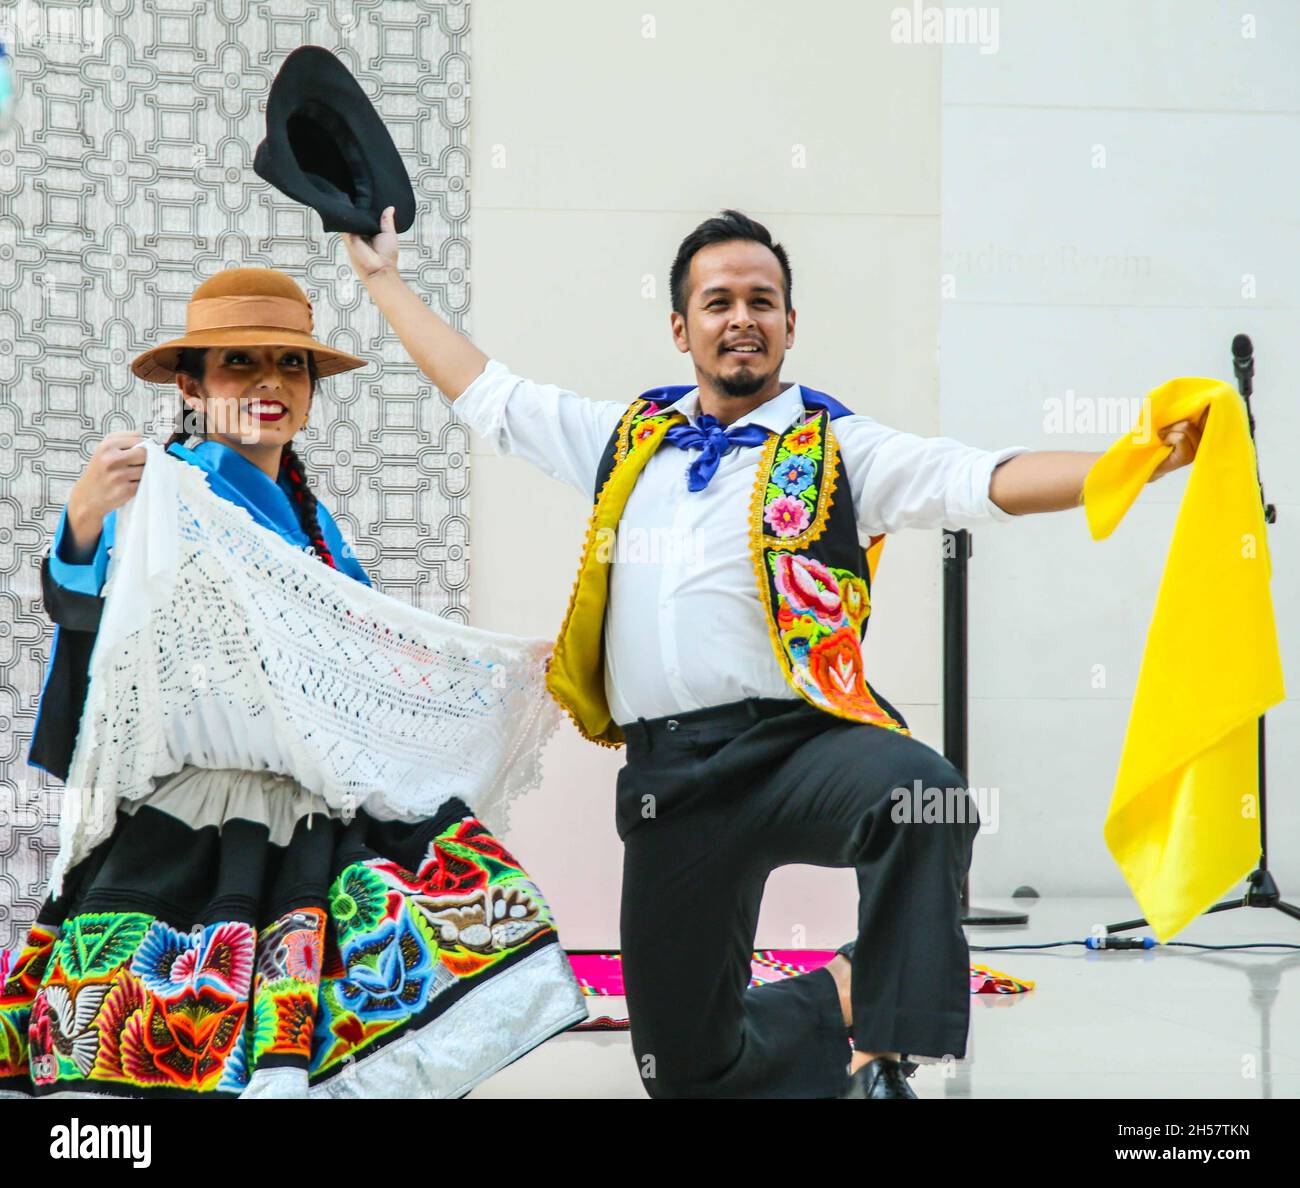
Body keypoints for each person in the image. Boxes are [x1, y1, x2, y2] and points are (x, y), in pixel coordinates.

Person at [344, 207, 1206, 1100]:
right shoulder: (625, 440)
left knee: (926, 800)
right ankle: (840, 988)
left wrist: (1133, 460)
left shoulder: (840, 448)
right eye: (718, 302)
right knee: (686, 1075)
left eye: (764, 300)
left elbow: (981, 479)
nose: (742, 317)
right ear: (681, 327)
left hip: (799, 746)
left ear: (792, 324)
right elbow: (487, 392)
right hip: (671, 775)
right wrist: (383, 280)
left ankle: (879, 1058)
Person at [0, 266, 586, 1099]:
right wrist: (87, 523)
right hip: (200, 819)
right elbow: (94, 627)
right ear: (190, 387)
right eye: (240, 362)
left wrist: (507, 674)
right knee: (180, 1059)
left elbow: (368, 662)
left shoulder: (312, 520)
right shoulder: (166, 495)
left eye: (292, 363)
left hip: (312, 814)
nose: (272, 382)